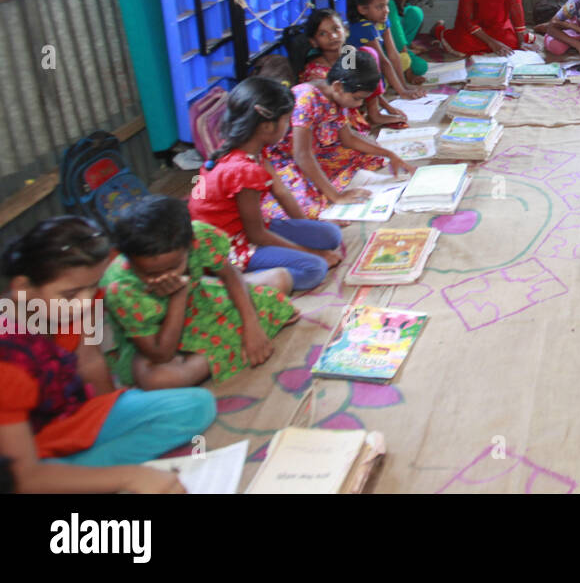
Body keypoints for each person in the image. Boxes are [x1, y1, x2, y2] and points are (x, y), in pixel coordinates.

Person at [0, 217, 215, 492]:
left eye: (93, 287)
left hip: (68, 416)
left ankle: (65, 476)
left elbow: (89, 361)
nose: (86, 301)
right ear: (22, 289)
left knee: (196, 406)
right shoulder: (9, 358)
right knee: (23, 481)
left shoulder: (71, 305)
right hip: (21, 445)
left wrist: (110, 413)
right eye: (71, 294)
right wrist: (129, 476)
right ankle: (62, 477)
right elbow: (19, 473)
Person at [102, 196, 297, 389]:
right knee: (157, 380)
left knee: (282, 279)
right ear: (129, 260)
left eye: (174, 267)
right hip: (160, 336)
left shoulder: (198, 237)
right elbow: (161, 354)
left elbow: (230, 275)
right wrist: (178, 295)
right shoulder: (121, 288)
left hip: (201, 301)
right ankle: (213, 349)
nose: (163, 277)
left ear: (189, 246)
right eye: (149, 273)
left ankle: (217, 349)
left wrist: (251, 326)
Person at [189, 77, 343, 292]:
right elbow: (257, 235)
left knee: (330, 235)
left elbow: (281, 191)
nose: (289, 126)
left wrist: (307, 228)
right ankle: (233, 282)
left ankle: (274, 264)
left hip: (245, 228)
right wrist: (313, 253)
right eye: (286, 120)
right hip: (228, 246)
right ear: (267, 125)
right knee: (314, 269)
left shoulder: (251, 147)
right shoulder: (244, 171)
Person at [264, 53, 415, 220]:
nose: (359, 105)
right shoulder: (306, 98)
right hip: (285, 160)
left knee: (369, 154)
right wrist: (336, 196)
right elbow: (301, 155)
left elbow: (348, 138)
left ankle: (328, 184)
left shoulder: (338, 95)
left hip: (314, 151)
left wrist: (389, 153)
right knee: (306, 206)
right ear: (337, 87)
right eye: (357, 99)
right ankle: (327, 191)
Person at [299, 8, 405, 132]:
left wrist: (386, 106)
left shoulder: (349, 56)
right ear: (314, 42)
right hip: (331, 123)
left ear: (346, 31)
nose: (332, 36)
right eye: (322, 34)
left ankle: (374, 114)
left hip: (353, 109)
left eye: (336, 29)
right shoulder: (316, 73)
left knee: (368, 54)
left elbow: (366, 85)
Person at [347, 0, 420, 99]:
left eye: (386, 5)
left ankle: (391, 85)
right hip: (357, 73)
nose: (386, 10)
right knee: (376, 76)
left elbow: (393, 53)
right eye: (380, 7)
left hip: (374, 66)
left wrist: (404, 86)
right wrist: (402, 92)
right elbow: (383, 61)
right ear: (363, 10)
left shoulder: (383, 22)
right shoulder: (363, 27)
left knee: (404, 58)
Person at [380, 0, 428, 84]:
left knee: (415, 12)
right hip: (383, 50)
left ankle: (405, 53)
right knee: (420, 67)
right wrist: (409, 74)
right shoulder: (388, 4)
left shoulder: (404, 6)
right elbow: (397, 37)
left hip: (396, 48)